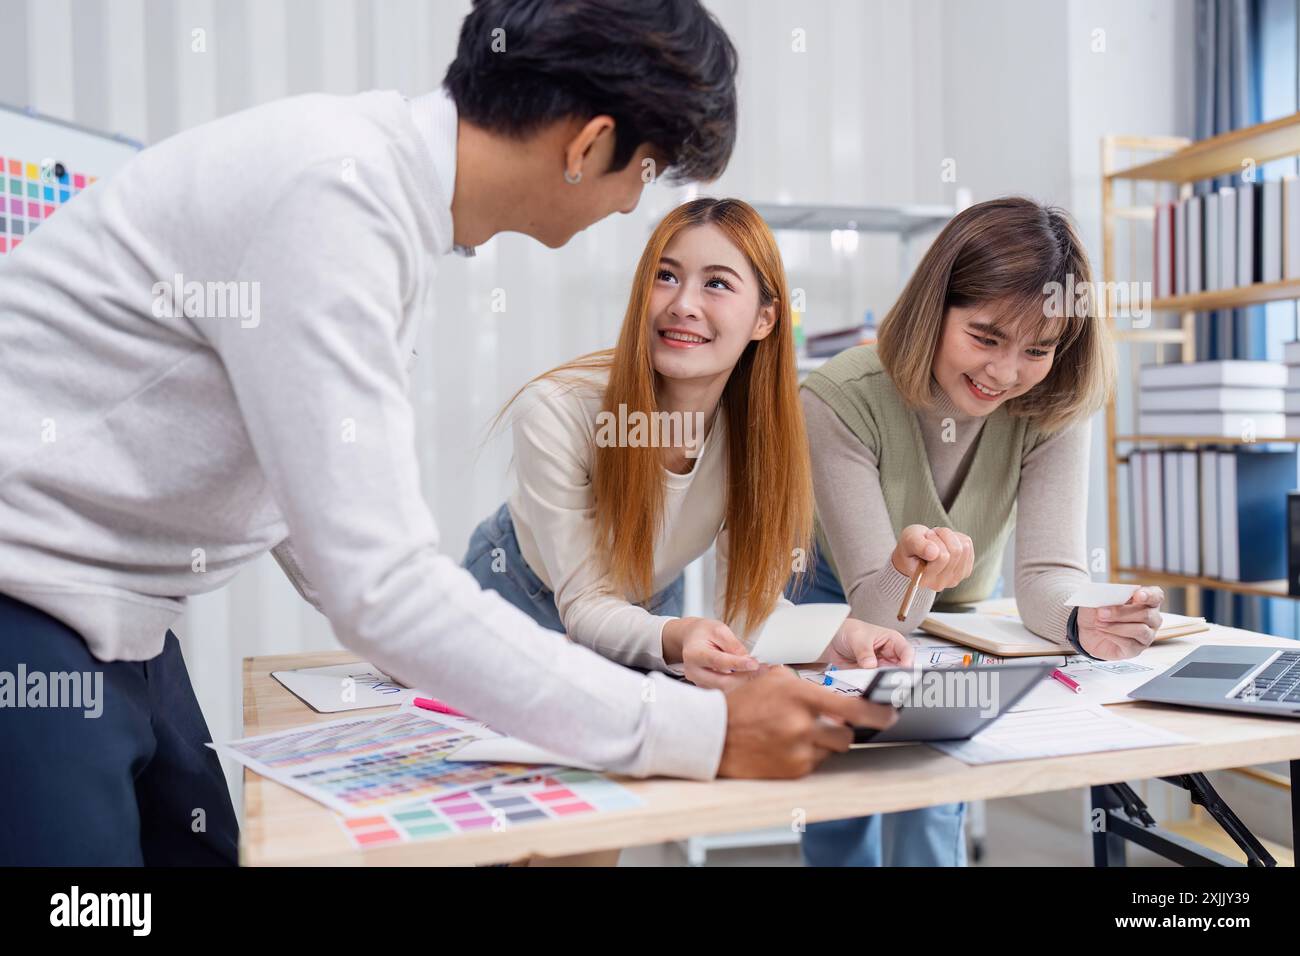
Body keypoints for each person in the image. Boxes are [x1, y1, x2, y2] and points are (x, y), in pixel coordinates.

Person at [0, 0, 888, 866]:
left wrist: (412, 656)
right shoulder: (334, 199)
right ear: (587, 145)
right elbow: (378, 580)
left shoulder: (378, 200)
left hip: (121, 620)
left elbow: (321, 518)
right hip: (27, 601)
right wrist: (702, 731)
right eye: (644, 174)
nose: (628, 210)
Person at [792, 196, 1166, 867]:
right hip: (837, 600)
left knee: (933, 797)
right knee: (839, 798)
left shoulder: (1053, 404)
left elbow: (1047, 574)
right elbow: (877, 615)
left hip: (961, 614)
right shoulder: (838, 396)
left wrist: (1084, 620)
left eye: (1038, 350)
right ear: (935, 308)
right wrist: (909, 571)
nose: (1005, 373)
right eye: (985, 337)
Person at [464, 198, 914, 689]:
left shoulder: (756, 434)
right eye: (666, 276)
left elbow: (749, 610)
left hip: (649, 608)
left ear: (765, 320)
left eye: (717, 284)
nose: (682, 304)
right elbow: (586, 605)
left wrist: (834, 637)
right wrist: (678, 636)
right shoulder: (556, 409)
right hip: (519, 591)